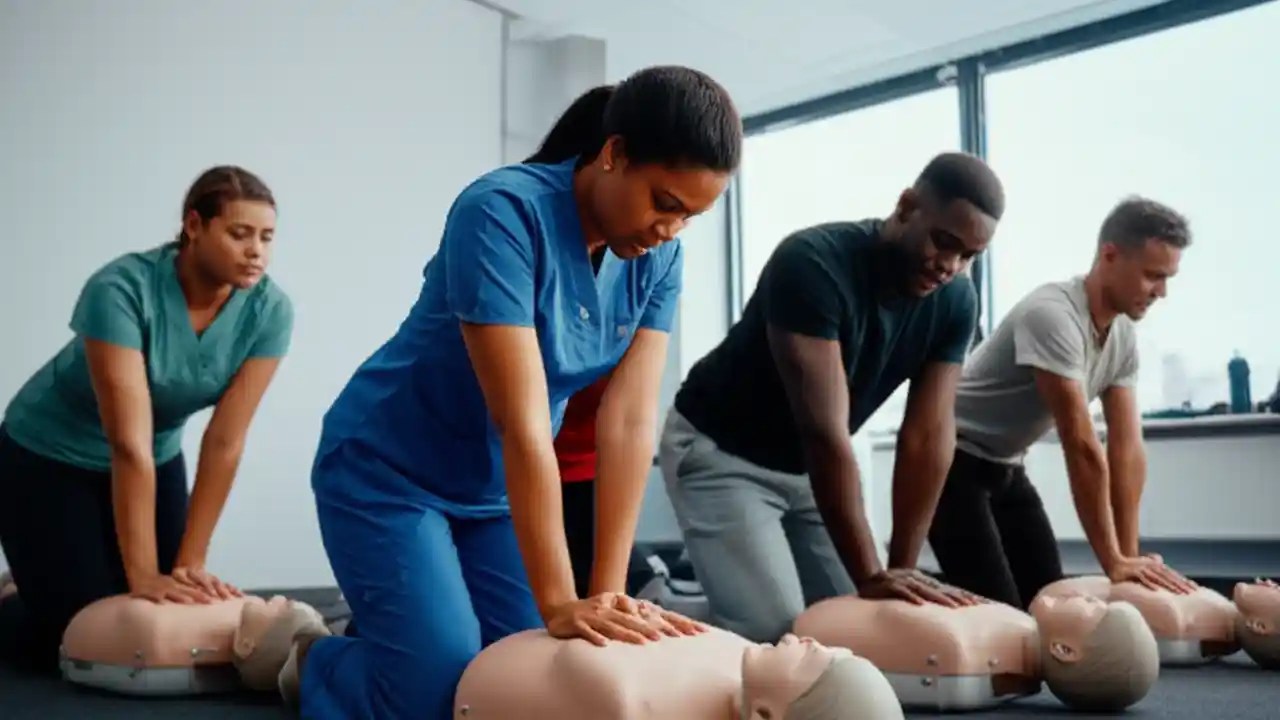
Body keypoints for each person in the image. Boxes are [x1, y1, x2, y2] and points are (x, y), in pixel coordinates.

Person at [276, 67, 743, 720]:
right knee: (437, 687)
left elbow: (631, 422)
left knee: (518, 676)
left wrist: (604, 595)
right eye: (664, 202)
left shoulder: (658, 258)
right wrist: (559, 602)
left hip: (492, 493)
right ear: (614, 154)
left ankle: (391, 637)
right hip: (387, 471)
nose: (671, 228)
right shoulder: (501, 211)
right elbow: (520, 416)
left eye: (690, 216)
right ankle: (306, 656)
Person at [660, 152, 1005, 644]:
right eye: (944, 242)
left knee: (856, 629)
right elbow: (824, 431)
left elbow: (927, 437)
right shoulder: (812, 262)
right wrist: (869, 574)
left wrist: (899, 573)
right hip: (721, 452)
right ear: (907, 207)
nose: (951, 265)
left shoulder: (956, 301)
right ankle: (664, 605)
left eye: (969, 255)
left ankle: (713, 587)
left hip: (808, 475)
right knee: (773, 631)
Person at [0, 165, 293, 674]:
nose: (256, 252)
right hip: (47, 456)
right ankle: (13, 597)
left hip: (155, 457)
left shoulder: (270, 311)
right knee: (81, 635)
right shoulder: (119, 289)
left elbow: (225, 441)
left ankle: (44, 578)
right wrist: (143, 574)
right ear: (194, 226)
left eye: (267, 237)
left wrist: (188, 564)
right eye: (239, 233)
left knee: (162, 606)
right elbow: (126, 443)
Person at [928, 196, 1197, 610]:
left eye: (1168, 279)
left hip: (1006, 470)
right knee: (1005, 619)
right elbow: (1081, 443)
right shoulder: (1052, 315)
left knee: (1049, 606)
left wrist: (1128, 559)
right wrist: (1111, 561)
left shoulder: (1123, 335)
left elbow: (1125, 449)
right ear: (1110, 255)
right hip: (947, 466)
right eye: (1152, 276)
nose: (1161, 292)